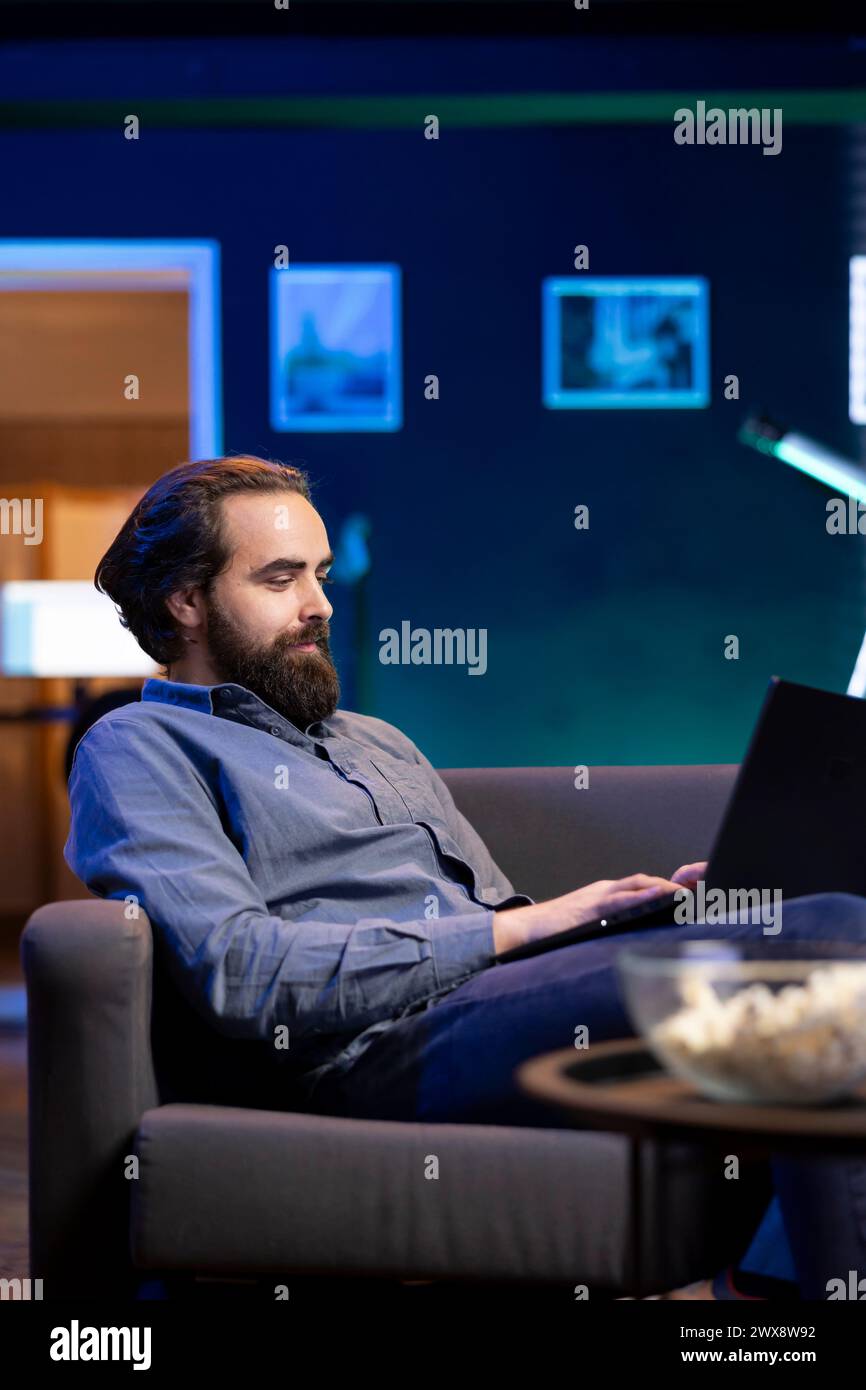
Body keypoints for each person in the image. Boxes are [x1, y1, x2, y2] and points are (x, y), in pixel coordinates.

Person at [65, 453, 866, 1301]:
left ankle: (771, 1300)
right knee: (830, 948)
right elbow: (240, 973)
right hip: (365, 1053)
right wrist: (520, 928)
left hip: (475, 1013)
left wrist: (657, 919)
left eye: (323, 575)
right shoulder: (137, 750)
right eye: (280, 579)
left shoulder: (376, 741)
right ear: (184, 602)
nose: (320, 606)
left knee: (803, 927)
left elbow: (500, 928)